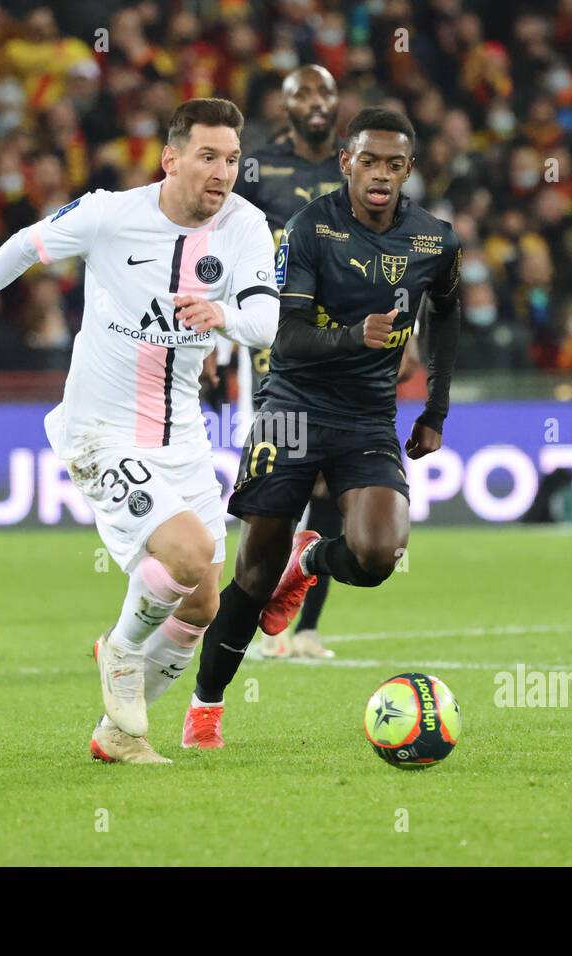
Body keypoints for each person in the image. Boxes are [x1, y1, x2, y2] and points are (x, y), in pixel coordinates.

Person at [0, 99, 279, 764]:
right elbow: (22, 247)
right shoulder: (110, 214)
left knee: (200, 608)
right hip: (101, 432)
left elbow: (268, 321)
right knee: (188, 554)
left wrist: (220, 313)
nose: (223, 171)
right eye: (208, 156)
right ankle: (121, 648)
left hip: (183, 436)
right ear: (171, 159)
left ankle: (117, 735)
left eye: (230, 158)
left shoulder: (246, 226)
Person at [183, 107, 462, 749]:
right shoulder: (310, 229)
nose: (381, 175)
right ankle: (205, 707)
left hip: (368, 417)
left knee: (376, 557)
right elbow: (288, 335)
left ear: (409, 170)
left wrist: (435, 412)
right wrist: (351, 337)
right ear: (346, 163)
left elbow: (446, 318)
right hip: (294, 406)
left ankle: (312, 557)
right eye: (369, 161)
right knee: (254, 575)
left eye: (395, 165)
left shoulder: (435, 241)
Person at [232, 64, 346, 660]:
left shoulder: (355, 168)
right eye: (304, 92)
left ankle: (307, 630)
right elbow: (222, 248)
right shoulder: (255, 169)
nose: (317, 102)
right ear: (286, 105)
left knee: (328, 475)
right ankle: (250, 619)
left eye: (326, 90)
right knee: (279, 472)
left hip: (346, 341)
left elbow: (404, 255)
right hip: (272, 342)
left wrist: (413, 342)